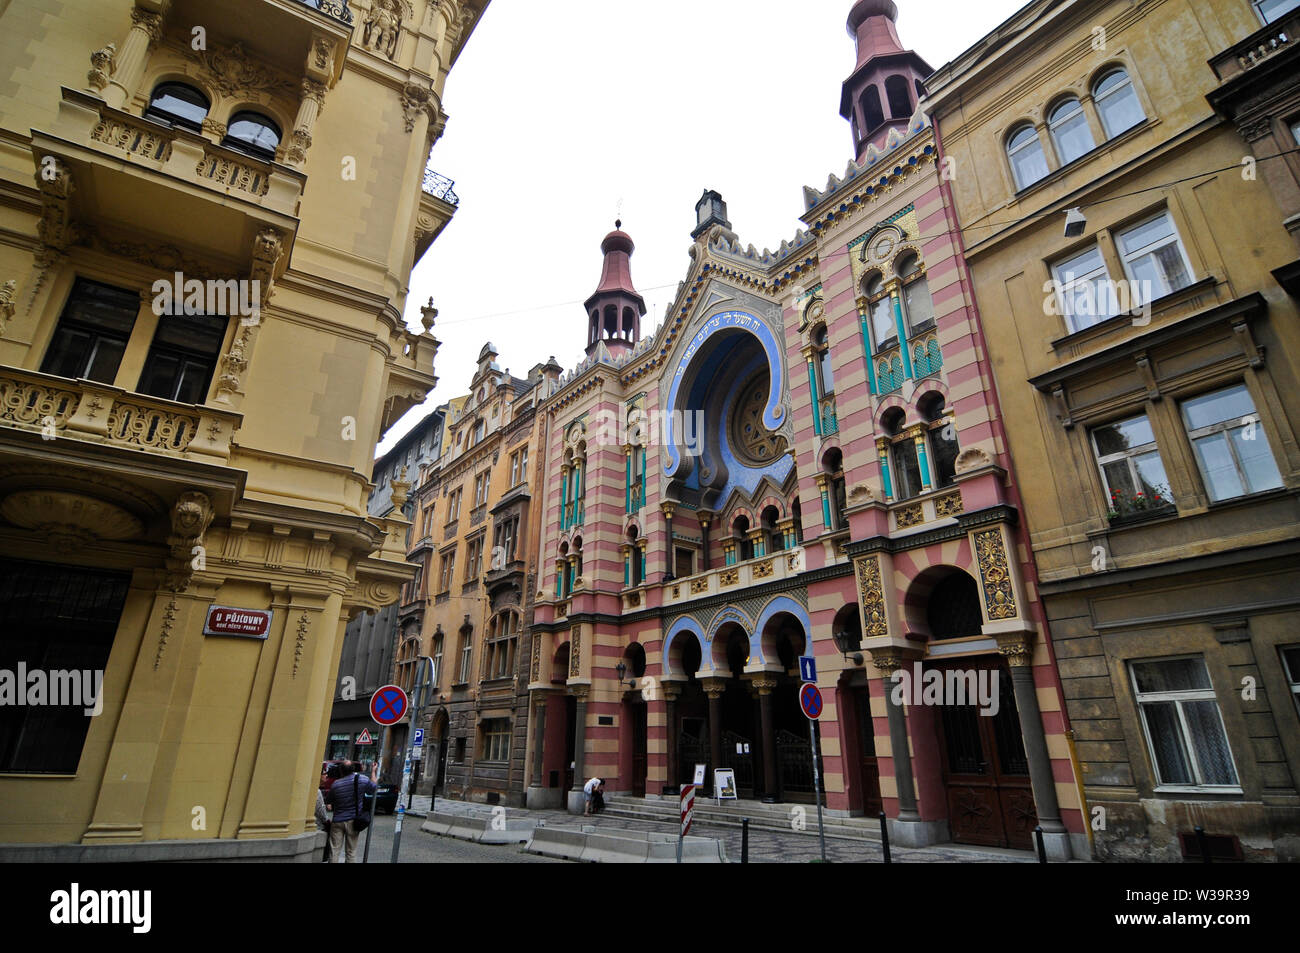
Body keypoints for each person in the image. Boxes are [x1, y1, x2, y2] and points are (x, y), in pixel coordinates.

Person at [324, 760, 375, 863]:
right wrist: (373, 771)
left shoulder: (336, 784)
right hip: (353, 821)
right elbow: (374, 787)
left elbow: (328, 802)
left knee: (334, 850)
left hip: (338, 820)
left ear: (341, 771)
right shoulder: (362, 780)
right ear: (353, 769)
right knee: (351, 852)